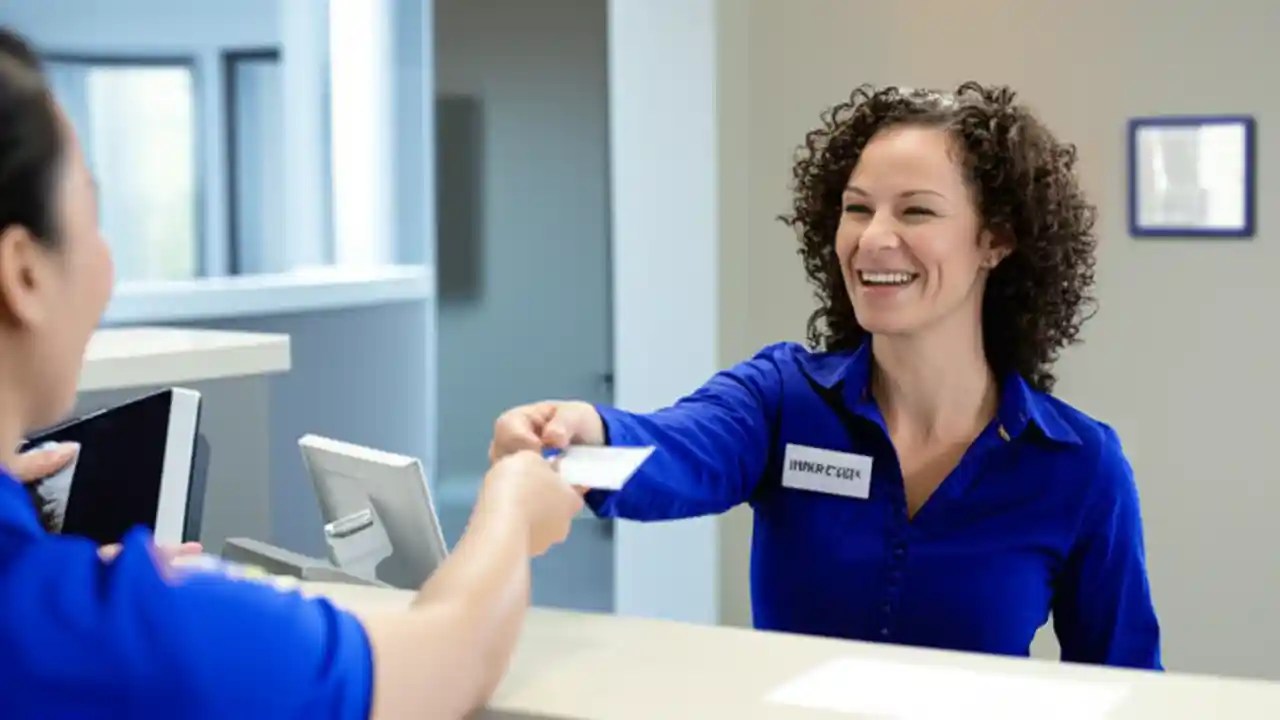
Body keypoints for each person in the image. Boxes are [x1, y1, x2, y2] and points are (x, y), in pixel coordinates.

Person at [0, 27, 584, 718]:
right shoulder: (109, 641)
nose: (106, 267)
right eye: (93, 215)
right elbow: (447, 659)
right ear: (25, 272)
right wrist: (514, 510)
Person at [491, 82, 1161, 669]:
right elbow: (668, 457)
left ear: (996, 240)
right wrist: (576, 449)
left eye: (916, 210)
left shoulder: (1079, 468)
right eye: (858, 208)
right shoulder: (782, 400)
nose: (872, 239)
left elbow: (1127, 687)